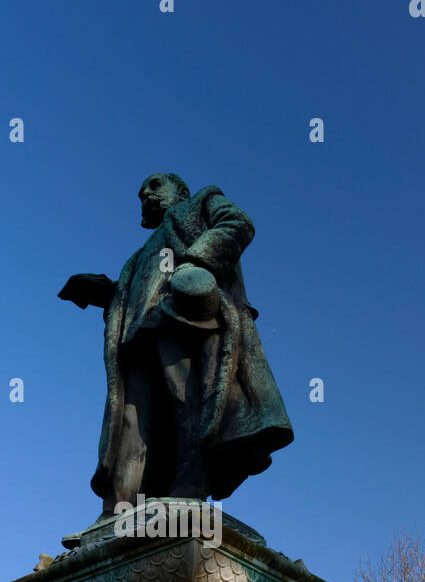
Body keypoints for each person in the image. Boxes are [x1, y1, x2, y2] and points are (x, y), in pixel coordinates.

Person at [59, 172, 294, 514]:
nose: (146, 196)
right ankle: (120, 507)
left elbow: (238, 222)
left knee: (186, 399)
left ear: (181, 191)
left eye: (154, 187)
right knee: (131, 420)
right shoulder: (139, 256)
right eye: (141, 195)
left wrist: (197, 262)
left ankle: (190, 485)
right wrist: (103, 291)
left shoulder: (201, 203)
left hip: (182, 319)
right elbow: (139, 288)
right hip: (136, 333)